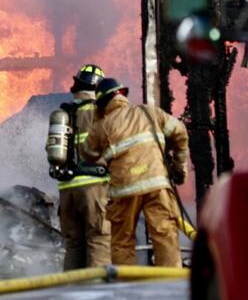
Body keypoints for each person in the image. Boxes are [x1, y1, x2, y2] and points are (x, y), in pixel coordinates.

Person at [84, 77, 189, 267]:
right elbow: (180, 131)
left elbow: (88, 153)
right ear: (122, 94)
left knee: (121, 242)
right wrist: (179, 164)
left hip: (124, 191)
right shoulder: (149, 112)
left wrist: (98, 118)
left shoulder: (101, 126)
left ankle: (127, 282)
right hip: (156, 184)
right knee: (165, 234)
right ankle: (171, 280)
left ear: (101, 103)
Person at [54, 64, 112, 270]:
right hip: (94, 187)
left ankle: (72, 287)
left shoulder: (64, 113)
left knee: (74, 244)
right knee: (98, 239)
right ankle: (96, 288)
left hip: (67, 189)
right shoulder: (101, 111)